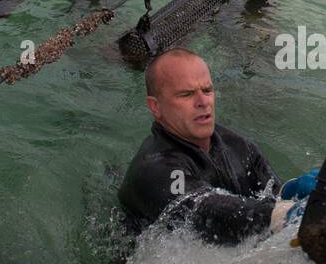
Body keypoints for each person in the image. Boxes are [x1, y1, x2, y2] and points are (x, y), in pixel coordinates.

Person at [118, 48, 316, 245]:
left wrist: (296, 192)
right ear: (155, 107)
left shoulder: (240, 148)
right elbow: (205, 213)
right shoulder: (154, 170)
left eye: (207, 90)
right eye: (186, 94)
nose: (203, 102)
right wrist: (281, 215)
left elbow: (274, 198)